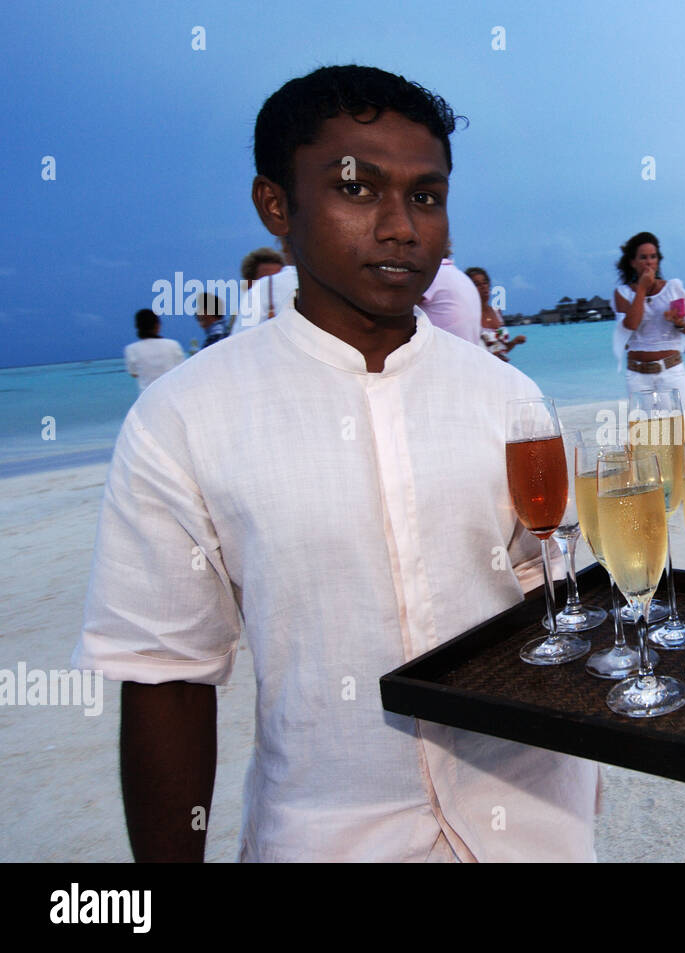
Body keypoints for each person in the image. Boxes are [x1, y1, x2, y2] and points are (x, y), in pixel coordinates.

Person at [74, 65, 597, 862]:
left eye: (426, 196)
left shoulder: (509, 398)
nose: (401, 227)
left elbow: (555, 602)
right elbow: (167, 675)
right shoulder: (183, 418)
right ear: (276, 205)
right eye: (358, 190)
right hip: (327, 836)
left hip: (531, 826)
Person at [612, 231, 685, 405]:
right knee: (646, 431)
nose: (649, 262)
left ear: (658, 260)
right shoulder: (623, 293)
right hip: (637, 375)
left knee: (677, 429)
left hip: (671, 370)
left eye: (653, 256)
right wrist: (641, 289)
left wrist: (679, 323)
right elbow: (631, 324)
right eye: (643, 257)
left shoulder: (673, 287)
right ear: (633, 262)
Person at [418, 246, 482, 344]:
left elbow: (398, 306)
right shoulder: (461, 277)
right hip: (467, 354)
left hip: (441, 355)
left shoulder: (432, 275)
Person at [465, 266, 526, 362]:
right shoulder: (468, 315)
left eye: (485, 282)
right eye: (477, 284)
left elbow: (501, 350)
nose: (483, 286)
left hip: (502, 369)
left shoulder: (497, 312)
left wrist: (514, 342)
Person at [123, 309, 185, 393]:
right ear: (157, 325)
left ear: (138, 327)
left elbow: (134, 373)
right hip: (172, 395)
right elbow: (182, 369)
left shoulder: (131, 349)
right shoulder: (173, 345)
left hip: (148, 399)